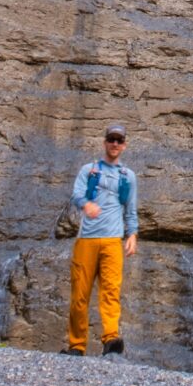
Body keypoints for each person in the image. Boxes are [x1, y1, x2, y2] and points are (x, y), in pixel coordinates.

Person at [61, 123, 139, 357]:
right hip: (86, 239)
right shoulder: (89, 170)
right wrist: (86, 204)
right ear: (105, 142)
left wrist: (132, 234)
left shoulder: (128, 176)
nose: (115, 144)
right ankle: (77, 345)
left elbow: (131, 208)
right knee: (80, 294)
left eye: (119, 140)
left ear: (124, 145)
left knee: (111, 291)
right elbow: (76, 194)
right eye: (111, 139)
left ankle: (111, 340)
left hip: (113, 240)